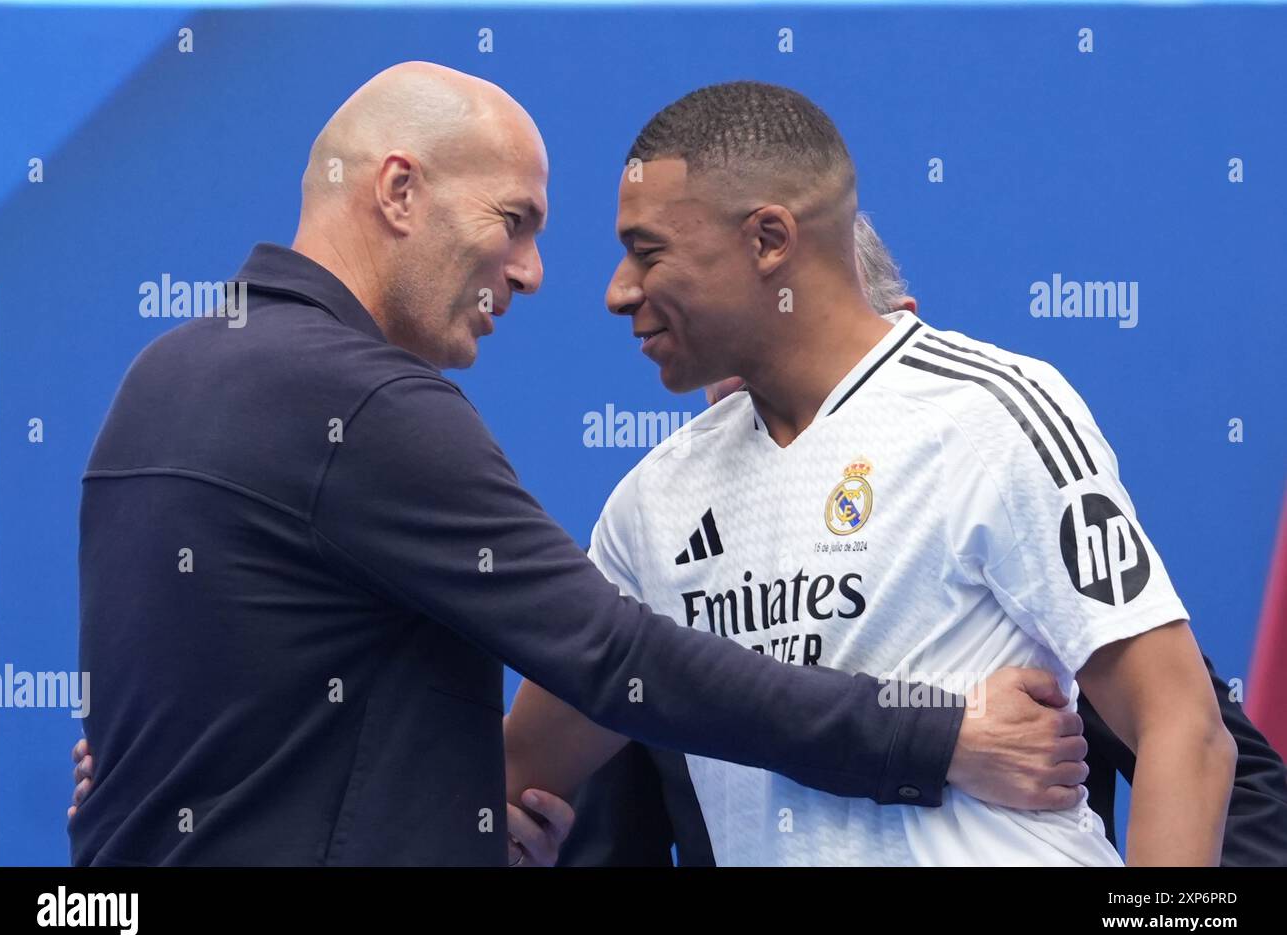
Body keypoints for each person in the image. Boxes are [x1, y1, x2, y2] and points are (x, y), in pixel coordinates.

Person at [70, 64, 1085, 867]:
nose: (532, 272)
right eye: (514, 221)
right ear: (398, 190)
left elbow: (207, 729)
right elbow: (613, 657)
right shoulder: (369, 403)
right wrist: (936, 736)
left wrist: (466, 827)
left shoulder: (159, 379)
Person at [502, 81, 1236, 865]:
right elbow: (516, 779)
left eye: (647, 252)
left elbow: (1185, 731)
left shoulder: (993, 412)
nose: (618, 292)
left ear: (769, 240)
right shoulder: (650, 503)